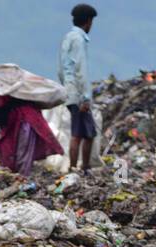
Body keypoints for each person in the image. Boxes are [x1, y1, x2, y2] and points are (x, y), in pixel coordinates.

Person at [58, 3, 97, 172]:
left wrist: (67, 89)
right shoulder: (79, 39)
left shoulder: (67, 38)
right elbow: (81, 69)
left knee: (78, 131)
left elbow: (61, 70)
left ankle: (74, 168)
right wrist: (85, 97)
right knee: (88, 134)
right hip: (79, 95)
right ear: (88, 21)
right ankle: (82, 168)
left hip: (70, 92)